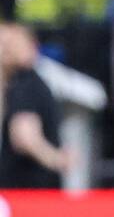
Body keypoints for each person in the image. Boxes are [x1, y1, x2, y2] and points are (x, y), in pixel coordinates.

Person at [0, 21, 70, 189]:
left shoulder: (25, 85)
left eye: (8, 44)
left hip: (26, 189)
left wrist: (55, 159)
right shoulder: (26, 83)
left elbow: (24, 135)